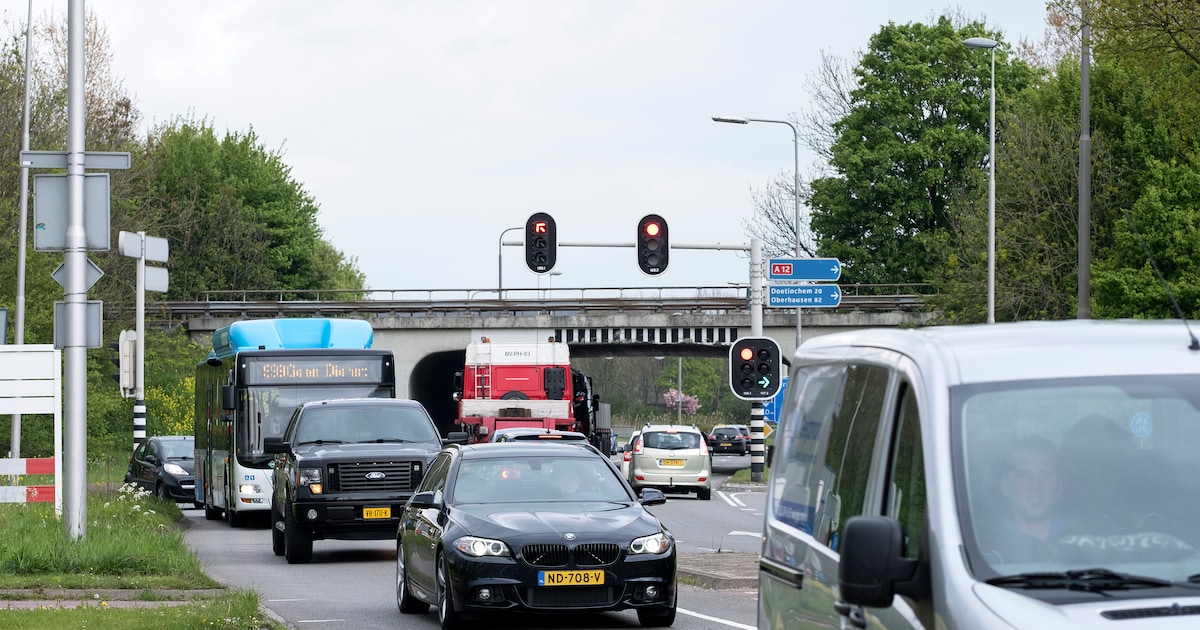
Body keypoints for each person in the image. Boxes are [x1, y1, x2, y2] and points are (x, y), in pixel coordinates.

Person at [981, 435, 1069, 564]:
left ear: (1059, 487)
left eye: (1046, 474)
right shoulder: (984, 547)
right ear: (1005, 486)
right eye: (1023, 474)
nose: (1035, 484)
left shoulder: (1081, 545)